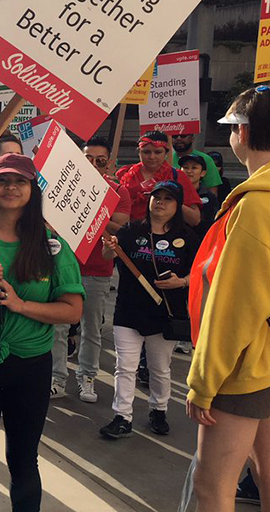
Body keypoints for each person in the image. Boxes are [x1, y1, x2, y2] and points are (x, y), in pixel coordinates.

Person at [0, 154, 85, 512]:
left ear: (33, 189)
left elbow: (72, 310)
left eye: (20, 181)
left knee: (23, 459)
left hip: (30, 365)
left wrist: (19, 305)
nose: (11, 188)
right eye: (2, 181)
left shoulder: (51, 245)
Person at [186, 85, 270, 512]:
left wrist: (203, 382)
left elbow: (234, 306)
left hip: (243, 367)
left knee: (211, 485)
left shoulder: (256, 206)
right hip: (264, 360)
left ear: (244, 131)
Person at [98, 181, 198, 439]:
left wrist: (181, 282)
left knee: (160, 367)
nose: (160, 202)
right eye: (156, 197)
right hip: (129, 311)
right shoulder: (131, 230)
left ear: (178, 205)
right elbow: (109, 256)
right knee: (125, 366)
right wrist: (108, 249)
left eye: (168, 198)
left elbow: (199, 272)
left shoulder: (186, 237)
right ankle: (122, 416)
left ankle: (159, 409)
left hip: (165, 314)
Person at [51, 137, 131, 402]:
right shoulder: (66, 187)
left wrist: (95, 208)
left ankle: (87, 377)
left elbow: (120, 227)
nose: (94, 165)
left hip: (97, 269)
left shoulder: (118, 191)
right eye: (88, 160)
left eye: (100, 161)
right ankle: (57, 378)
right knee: (60, 327)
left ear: (108, 163)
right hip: (64, 267)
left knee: (91, 328)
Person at [116, 131, 202, 226]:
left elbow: (195, 219)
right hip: (131, 234)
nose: (152, 157)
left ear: (166, 153)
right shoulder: (124, 173)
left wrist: (171, 200)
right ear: (139, 152)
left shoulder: (177, 175)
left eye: (158, 152)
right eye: (146, 152)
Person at [178, 154, 221, 239]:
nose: (189, 171)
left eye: (194, 168)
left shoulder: (210, 198)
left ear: (203, 173)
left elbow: (210, 225)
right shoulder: (173, 193)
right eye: (186, 168)